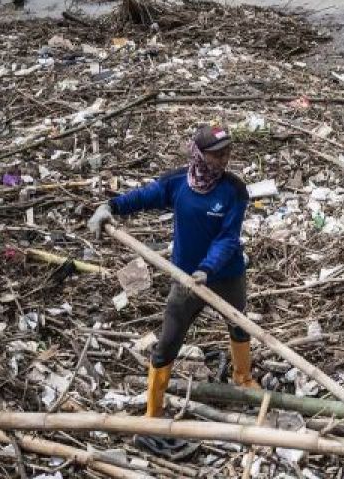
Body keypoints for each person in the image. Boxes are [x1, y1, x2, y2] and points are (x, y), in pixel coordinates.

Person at [89, 124, 258, 422]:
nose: (224, 159)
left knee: (239, 323)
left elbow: (228, 238)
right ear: (199, 153)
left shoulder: (234, 190)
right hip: (185, 278)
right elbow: (144, 196)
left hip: (226, 275)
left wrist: (208, 268)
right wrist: (110, 206)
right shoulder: (178, 183)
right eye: (217, 154)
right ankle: (154, 411)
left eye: (227, 152)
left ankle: (242, 378)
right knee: (169, 340)